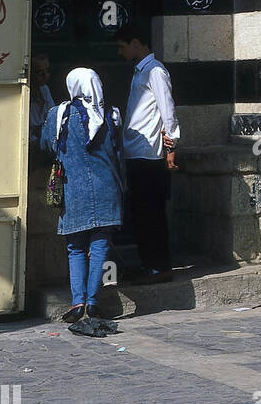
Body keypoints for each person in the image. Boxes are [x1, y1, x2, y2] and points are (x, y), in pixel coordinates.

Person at [41, 67, 124, 339]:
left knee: (75, 248)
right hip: (107, 189)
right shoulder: (110, 115)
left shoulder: (57, 115)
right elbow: (118, 150)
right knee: (99, 246)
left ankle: (77, 302)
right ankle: (93, 301)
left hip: (73, 190)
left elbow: (46, 146)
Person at [117, 30, 179, 284]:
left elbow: (167, 108)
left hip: (149, 155)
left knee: (151, 212)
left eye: (122, 46)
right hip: (136, 152)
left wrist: (172, 144)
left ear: (136, 41)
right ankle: (147, 264)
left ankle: (159, 266)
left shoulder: (154, 71)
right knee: (140, 212)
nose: (120, 52)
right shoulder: (140, 70)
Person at [29, 53, 55, 150]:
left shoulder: (44, 90)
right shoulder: (23, 94)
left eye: (48, 71)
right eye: (40, 73)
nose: (45, 76)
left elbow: (52, 118)